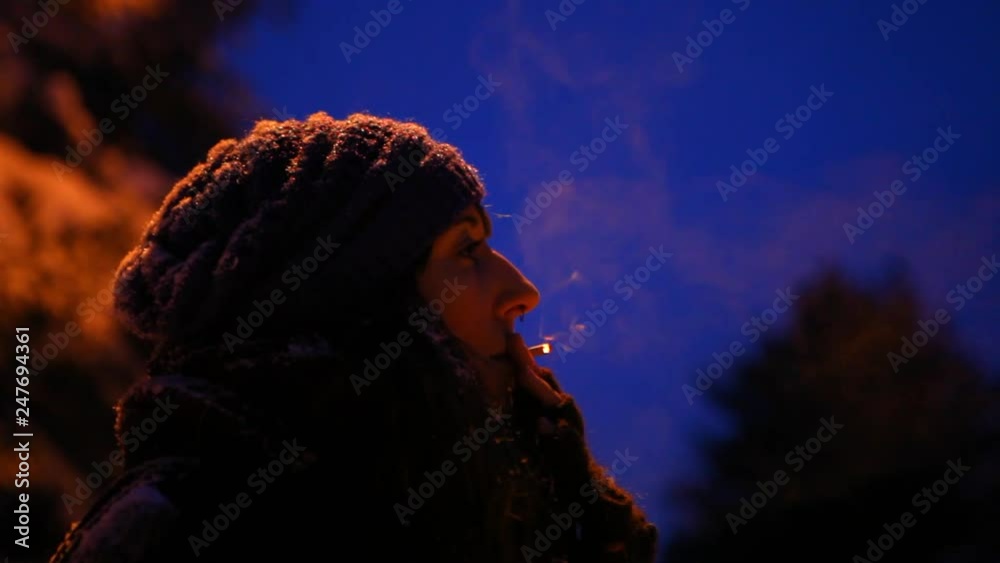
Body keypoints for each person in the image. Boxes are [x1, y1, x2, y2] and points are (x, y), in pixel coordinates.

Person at [49, 112, 658, 562]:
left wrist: (568, 495)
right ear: (361, 301)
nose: (524, 291)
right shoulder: (177, 529)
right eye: (466, 250)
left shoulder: (442, 508)